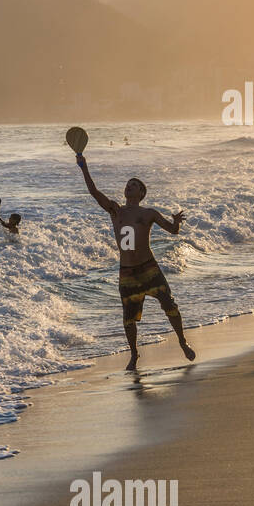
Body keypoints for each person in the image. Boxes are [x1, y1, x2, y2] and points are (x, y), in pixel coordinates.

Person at [77, 153, 195, 370]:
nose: (129, 187)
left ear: (141, 193)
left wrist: (176, 222)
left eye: (134, 185)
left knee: (169, 305)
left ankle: (182, 341)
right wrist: (84, 167)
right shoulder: (115, 210)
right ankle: (134, 354)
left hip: (149, 267)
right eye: (127, 185)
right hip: (127, 271)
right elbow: (93, 192)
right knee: (128, 318)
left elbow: (173, 231)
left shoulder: (149, 213)